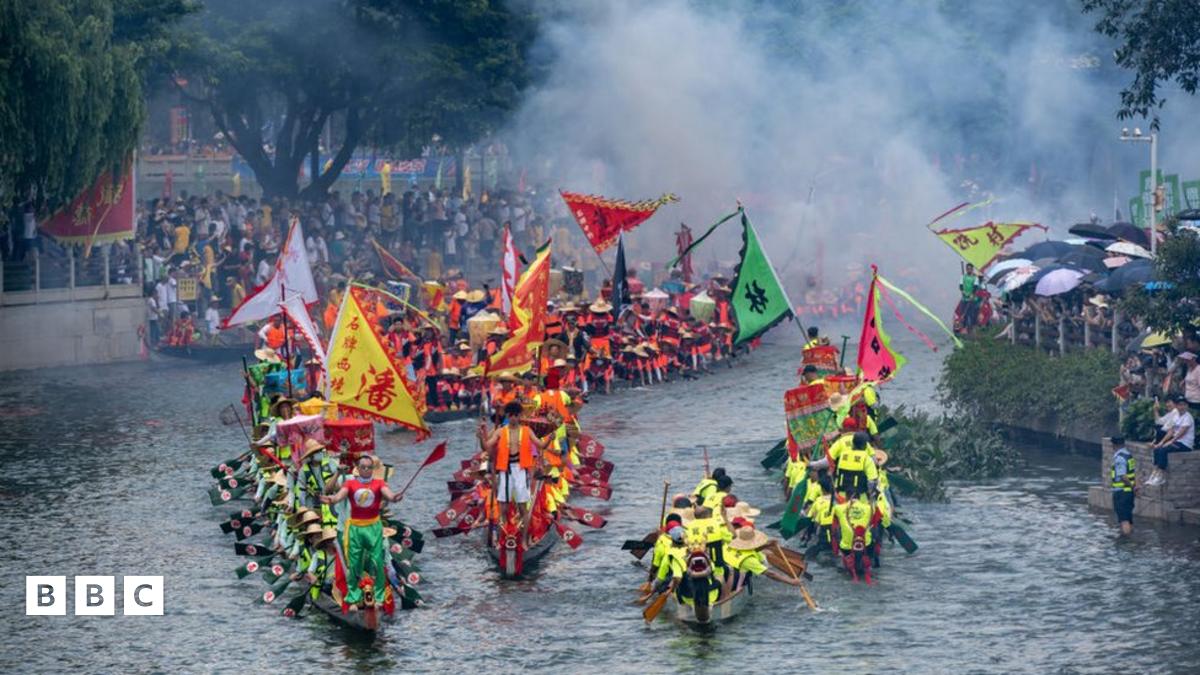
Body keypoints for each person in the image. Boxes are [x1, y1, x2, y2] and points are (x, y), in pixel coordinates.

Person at [320, 454, 403, 609]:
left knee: (376, 563)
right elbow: (328, 490)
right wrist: (337, 473)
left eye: (370, 468)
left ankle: (375, 598)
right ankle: (353, 600)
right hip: (348, 530)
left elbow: (385, 500)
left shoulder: (378, 483)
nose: (367, 471)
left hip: (371, 528)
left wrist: (394, 498)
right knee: (351, 566)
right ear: (358, 469)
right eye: (364, 468)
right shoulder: (348, 480)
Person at [1148, 396, 1194, 486]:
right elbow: (1171, 431)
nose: (1182, 407)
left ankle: (1161, 476)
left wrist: (1171, 441)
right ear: (1176, 406)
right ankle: (1155, 472)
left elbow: (1181, 433)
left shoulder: (1188, 417)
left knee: (1163, 450)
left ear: (1187, 406)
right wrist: (1161, 442)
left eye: (1184, 405)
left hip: (1185, 444)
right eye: (1180, 405)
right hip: (1177, 442)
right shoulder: (1176, 416)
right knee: (1157, 449)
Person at [1109, 436, 1136, 536]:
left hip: (1121, 492)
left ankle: (1126, 540)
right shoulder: (1129, 455)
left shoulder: (1119, 458)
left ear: (1114, 445)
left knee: (1123, 519)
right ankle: (1131, 537)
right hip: (1128, 493)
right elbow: (1133, 473)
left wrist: (1132, 487)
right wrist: (1134, 488)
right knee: (1128, 518)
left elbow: (1123, 476)